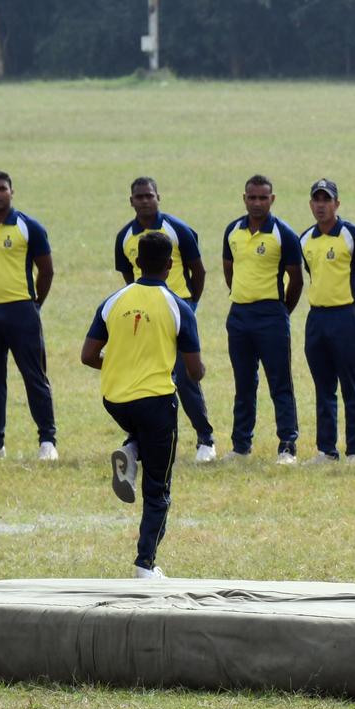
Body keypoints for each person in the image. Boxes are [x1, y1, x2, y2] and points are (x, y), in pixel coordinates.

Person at [80, 231, 205, 579]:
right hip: (156, 402)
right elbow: (194, 371)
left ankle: (131, 449)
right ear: (170, 265)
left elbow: (88, 355)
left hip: (115, 401)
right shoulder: (177, 306)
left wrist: (120, 365)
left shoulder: (113, 300)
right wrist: (200, 369)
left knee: (142, 433)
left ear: (136, 262)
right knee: (158, 489)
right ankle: (145, 565)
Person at [114, 177, 216, 462]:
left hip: (178, 310)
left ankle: (205, 439)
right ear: (131, 201)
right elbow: (129, 276)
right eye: (139, 196)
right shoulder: (124, 237)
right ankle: (139, 438)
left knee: (185, 377)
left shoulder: (177, 230)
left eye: (149, 195)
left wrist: (190, 304)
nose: (145, 200)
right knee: (145, 377)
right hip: (144, 316)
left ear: (158, 197)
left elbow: (199, 270)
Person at [0, 170, 58, 461]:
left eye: (2, 188)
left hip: (22, 312)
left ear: (11, 192)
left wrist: (34, 305)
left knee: (34, 377)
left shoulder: (29, 227)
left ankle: (47, 442)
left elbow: (46, 271)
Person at [222, 174, 303, 464]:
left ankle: (287, 445)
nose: (257, 203)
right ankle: (241, 446)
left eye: (263, 198)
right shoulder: (232, 231)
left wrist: (281, 311)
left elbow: (296, 280)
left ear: (272, 199)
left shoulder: (284, 234)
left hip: (272, 316)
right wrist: (241, 295)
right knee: (243, 384)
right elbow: (229, 269)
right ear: (244, 198)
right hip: (239, 316)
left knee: (280, 383)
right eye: (252, 197)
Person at [299, 178, 355, 464]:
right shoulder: (305, 239)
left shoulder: (352, 235)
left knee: (351, 385)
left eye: (327, 200)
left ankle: (354, 449)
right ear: (311, 204)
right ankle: (326, 449)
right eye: (317, 200)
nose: (321, 205)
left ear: (337, 203)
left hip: (346, 316)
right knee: (323, 387)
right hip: (316, 318)